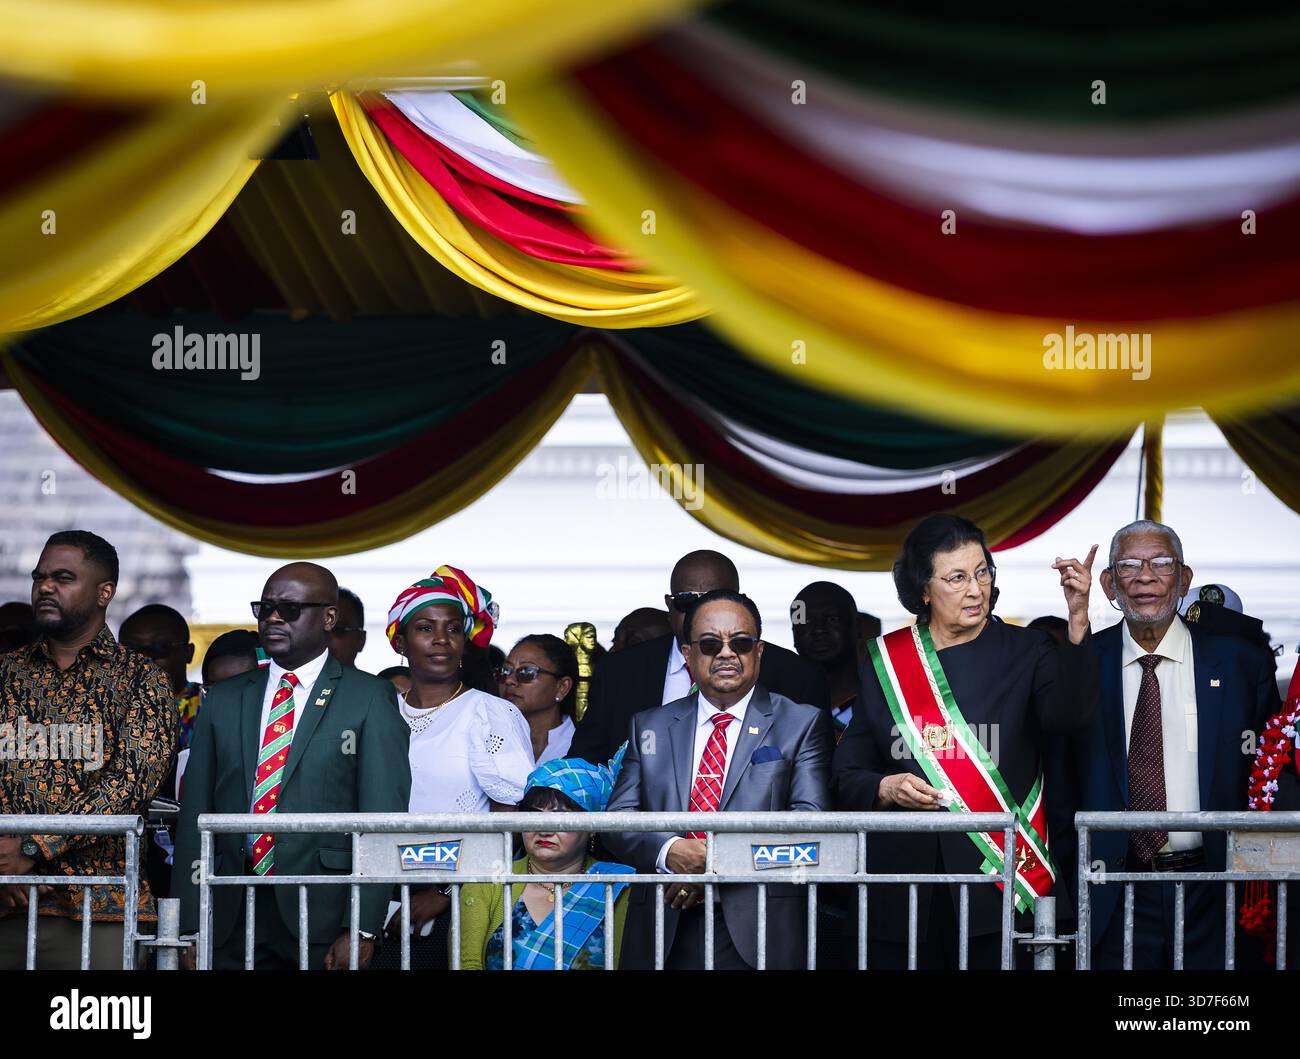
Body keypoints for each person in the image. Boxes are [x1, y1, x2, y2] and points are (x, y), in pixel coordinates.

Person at [832, 513, 1100, 970]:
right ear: (923, 589)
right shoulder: (887, 662)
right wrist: (885, 788)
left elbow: (1070, 717)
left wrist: (1077, 622)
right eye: (957, 577)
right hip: (907, 888)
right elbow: (847, 773)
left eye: (982, 573)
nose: (976, 590)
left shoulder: (1028, 650)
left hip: (1001, 887)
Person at [1047, 520, 1279, 970]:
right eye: (1129, 565)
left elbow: (1267, 774)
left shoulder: (1239, 663)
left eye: (1161, 564)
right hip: (1112, 889)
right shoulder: (1082, 662)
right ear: (1110, 584)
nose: (1145, 576)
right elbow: (1060, 777)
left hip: (1216, 887)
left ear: (1184, 579)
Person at [173, 562, 411, 970]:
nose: (273, 618)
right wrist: (189, 925)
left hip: (323, 910)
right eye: (264, 608)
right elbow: (195, 813)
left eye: (290, 609)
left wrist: (362, 926)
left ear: (329, 618)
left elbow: (381, 820)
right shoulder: (225, 699)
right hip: (230, 907)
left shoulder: (369, 697)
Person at [606, 590, 833, 969]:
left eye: (740, 643)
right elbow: (618, 819)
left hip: (760, 925)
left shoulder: (801, 723)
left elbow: (810, 826)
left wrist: (712, 863)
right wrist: (670, 853)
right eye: (710, 644)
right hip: (665, 921)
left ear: (758, 652)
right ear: (687, 654)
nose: (726, 653)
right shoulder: (650, 725)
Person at [0, 531, 177, 969]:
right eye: (39, 577)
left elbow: (128, 786)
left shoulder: (142, 681)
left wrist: (30, 848)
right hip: (6, 905)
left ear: (105, 592)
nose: (45, 587)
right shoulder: (5, 674)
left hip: (99, 911)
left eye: (62, 577)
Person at [374, 565, 534, 970]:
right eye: (426, 628)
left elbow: (510, 816)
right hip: (376, 886)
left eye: (453, 629)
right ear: (400, 643)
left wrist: (445, 892)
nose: (441, 639)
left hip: (461, 892)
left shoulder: (490, 713)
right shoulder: (378, 712)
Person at [571, 550, 830, 764]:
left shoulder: (796, 676)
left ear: (740, 602)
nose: (701, 612)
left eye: (714, 599)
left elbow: (817, 781)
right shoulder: (620, 672)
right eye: (687, 601)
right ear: (669, 605)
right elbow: (587, 763)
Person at [457, 750, 634, 970]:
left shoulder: (619, 885)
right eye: (534, 814)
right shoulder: (487, 883)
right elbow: (467, 964)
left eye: (561, 817)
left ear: (592, 827)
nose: (545, 829)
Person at [119, 603, 202, 901]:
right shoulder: (103, 712)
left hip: (194, 848)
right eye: (133, 650)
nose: (147, 658)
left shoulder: (214, 706)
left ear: (189, 653)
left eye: (161, 647)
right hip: (129, 849)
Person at [791, 580, 862, 738]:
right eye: (806, 622)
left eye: (831, 619)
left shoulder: (885, 703)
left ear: (857, 628)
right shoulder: (777, 706)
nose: (818, 630)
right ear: (794, 633)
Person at [498, 634, 577, 764]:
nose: (509, 680)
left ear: (562, 687)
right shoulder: (486, 739)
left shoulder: (580, 748)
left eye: (526, 672)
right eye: (505, 670)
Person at [329, 586, 367, 669]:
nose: (325, 638)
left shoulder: (376, 682)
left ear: (361, 640)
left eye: (338, 629)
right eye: (318, 630)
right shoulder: (295, 680)